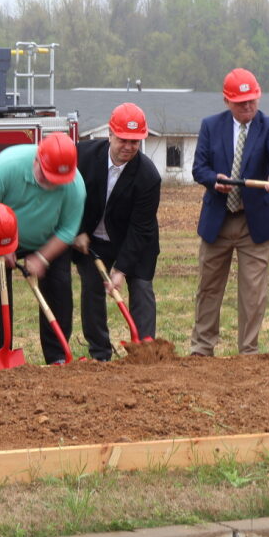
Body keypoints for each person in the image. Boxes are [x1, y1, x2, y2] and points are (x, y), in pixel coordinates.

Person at [190, 68, 269, 356]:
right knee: (208, 287)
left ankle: (248, 351)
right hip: (218, 220)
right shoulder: (211, 126)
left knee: (253, 291)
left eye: (252, 100)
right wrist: (214, 180)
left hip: (254, 222)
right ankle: (202, 348)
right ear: (227, 101)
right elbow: (199, 168)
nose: (247, 106)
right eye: (241, 102)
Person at [0, 132, 86, 364]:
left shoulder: (76, 185)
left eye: (58, 179)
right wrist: (2, 246)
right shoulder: (7, 166)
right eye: (48, 176)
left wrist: (42, 258)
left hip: (48, 239)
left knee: (59, 287)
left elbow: (68, 230)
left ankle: (57, 356)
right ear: (37, 160)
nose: (52, 184)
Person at [72, 102, 162, 360]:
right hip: (91, 238)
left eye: (135, 141)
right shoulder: (82, 156)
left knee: (141, 287)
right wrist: (78, 230)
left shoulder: (148, 176)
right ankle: (100, 352)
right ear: (110, 134)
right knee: (92, 287)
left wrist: (121, 269)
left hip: (134, 240)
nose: (129, 146)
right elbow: (68, 197)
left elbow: (141, 228)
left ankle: (144, 350)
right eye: (123, 139)